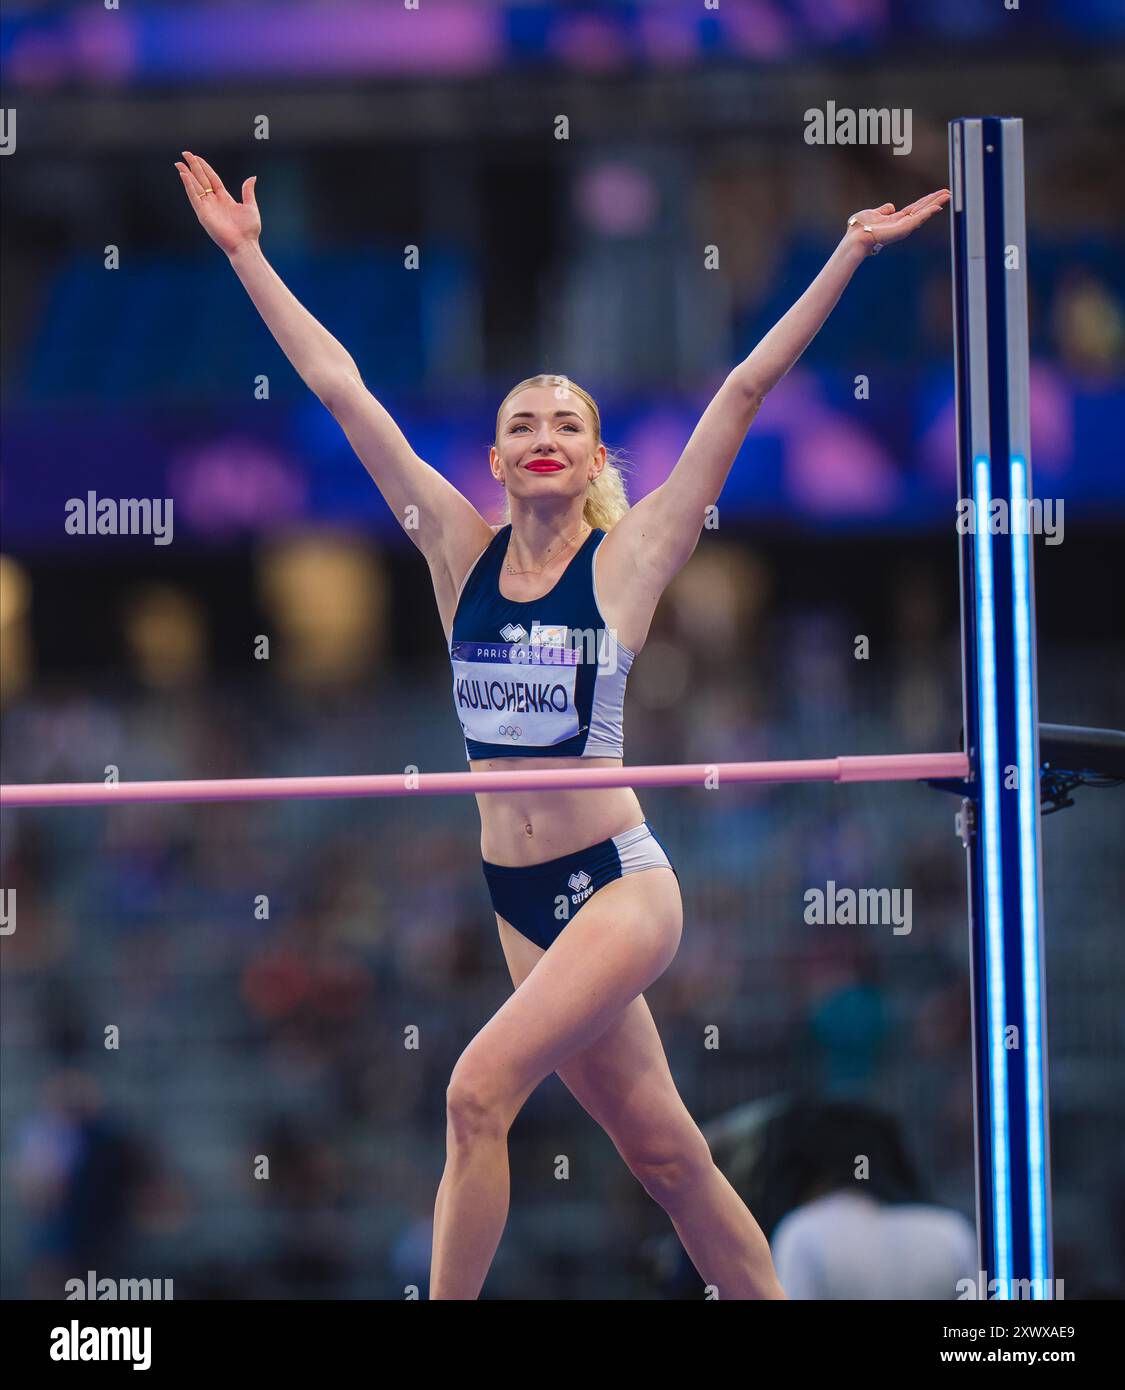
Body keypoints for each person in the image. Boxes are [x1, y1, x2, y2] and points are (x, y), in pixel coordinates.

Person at [175, 149, 949, 1299]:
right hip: (519, 903)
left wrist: (845, 250)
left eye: (567, 422)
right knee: (668, 1156)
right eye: (522, 420)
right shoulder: (454, 548)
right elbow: (344, 388)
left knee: (474, 1094)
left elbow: (739, 389)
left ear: (592, 460)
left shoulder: (629, 560)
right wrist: (249, 257)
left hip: (621, 885)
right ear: (492, 460)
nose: (544, 431)